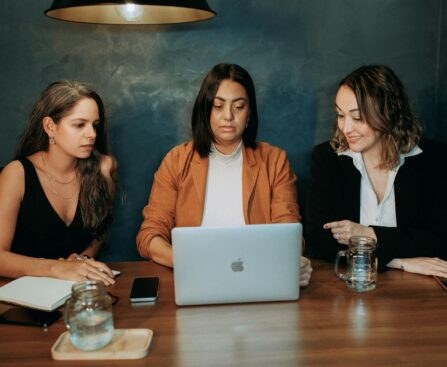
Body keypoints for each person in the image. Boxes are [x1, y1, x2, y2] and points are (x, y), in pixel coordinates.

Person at [137, 63, 312, 286]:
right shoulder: (177, 161)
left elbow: (289, 232)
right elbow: (149, 236)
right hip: (195, 279)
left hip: (258, 278)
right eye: (218, 106)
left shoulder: (274, 160)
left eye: (238, 107)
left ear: (249, 114)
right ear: (205, 110)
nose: (228, 116)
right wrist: (186, 261)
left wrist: (292, 262)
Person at [305, 65, 447, 277]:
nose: (346, 128)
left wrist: (368, 233)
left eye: (358, 117)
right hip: (350, 285)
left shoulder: (434, 159)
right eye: (340, 115)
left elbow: (439, 240)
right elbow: (320, 240)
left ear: (387, 113)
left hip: (419, 293)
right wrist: (397, 260)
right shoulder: (327, 159)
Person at [0, 80, 116, 285]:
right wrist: (57, 268)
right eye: (79, 124)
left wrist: (83, 260)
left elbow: (100, 231)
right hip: (24, 296)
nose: (92, 134)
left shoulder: (103, 168)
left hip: (79, 289)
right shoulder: (17, 174)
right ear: (49, 126)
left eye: (94, 125)